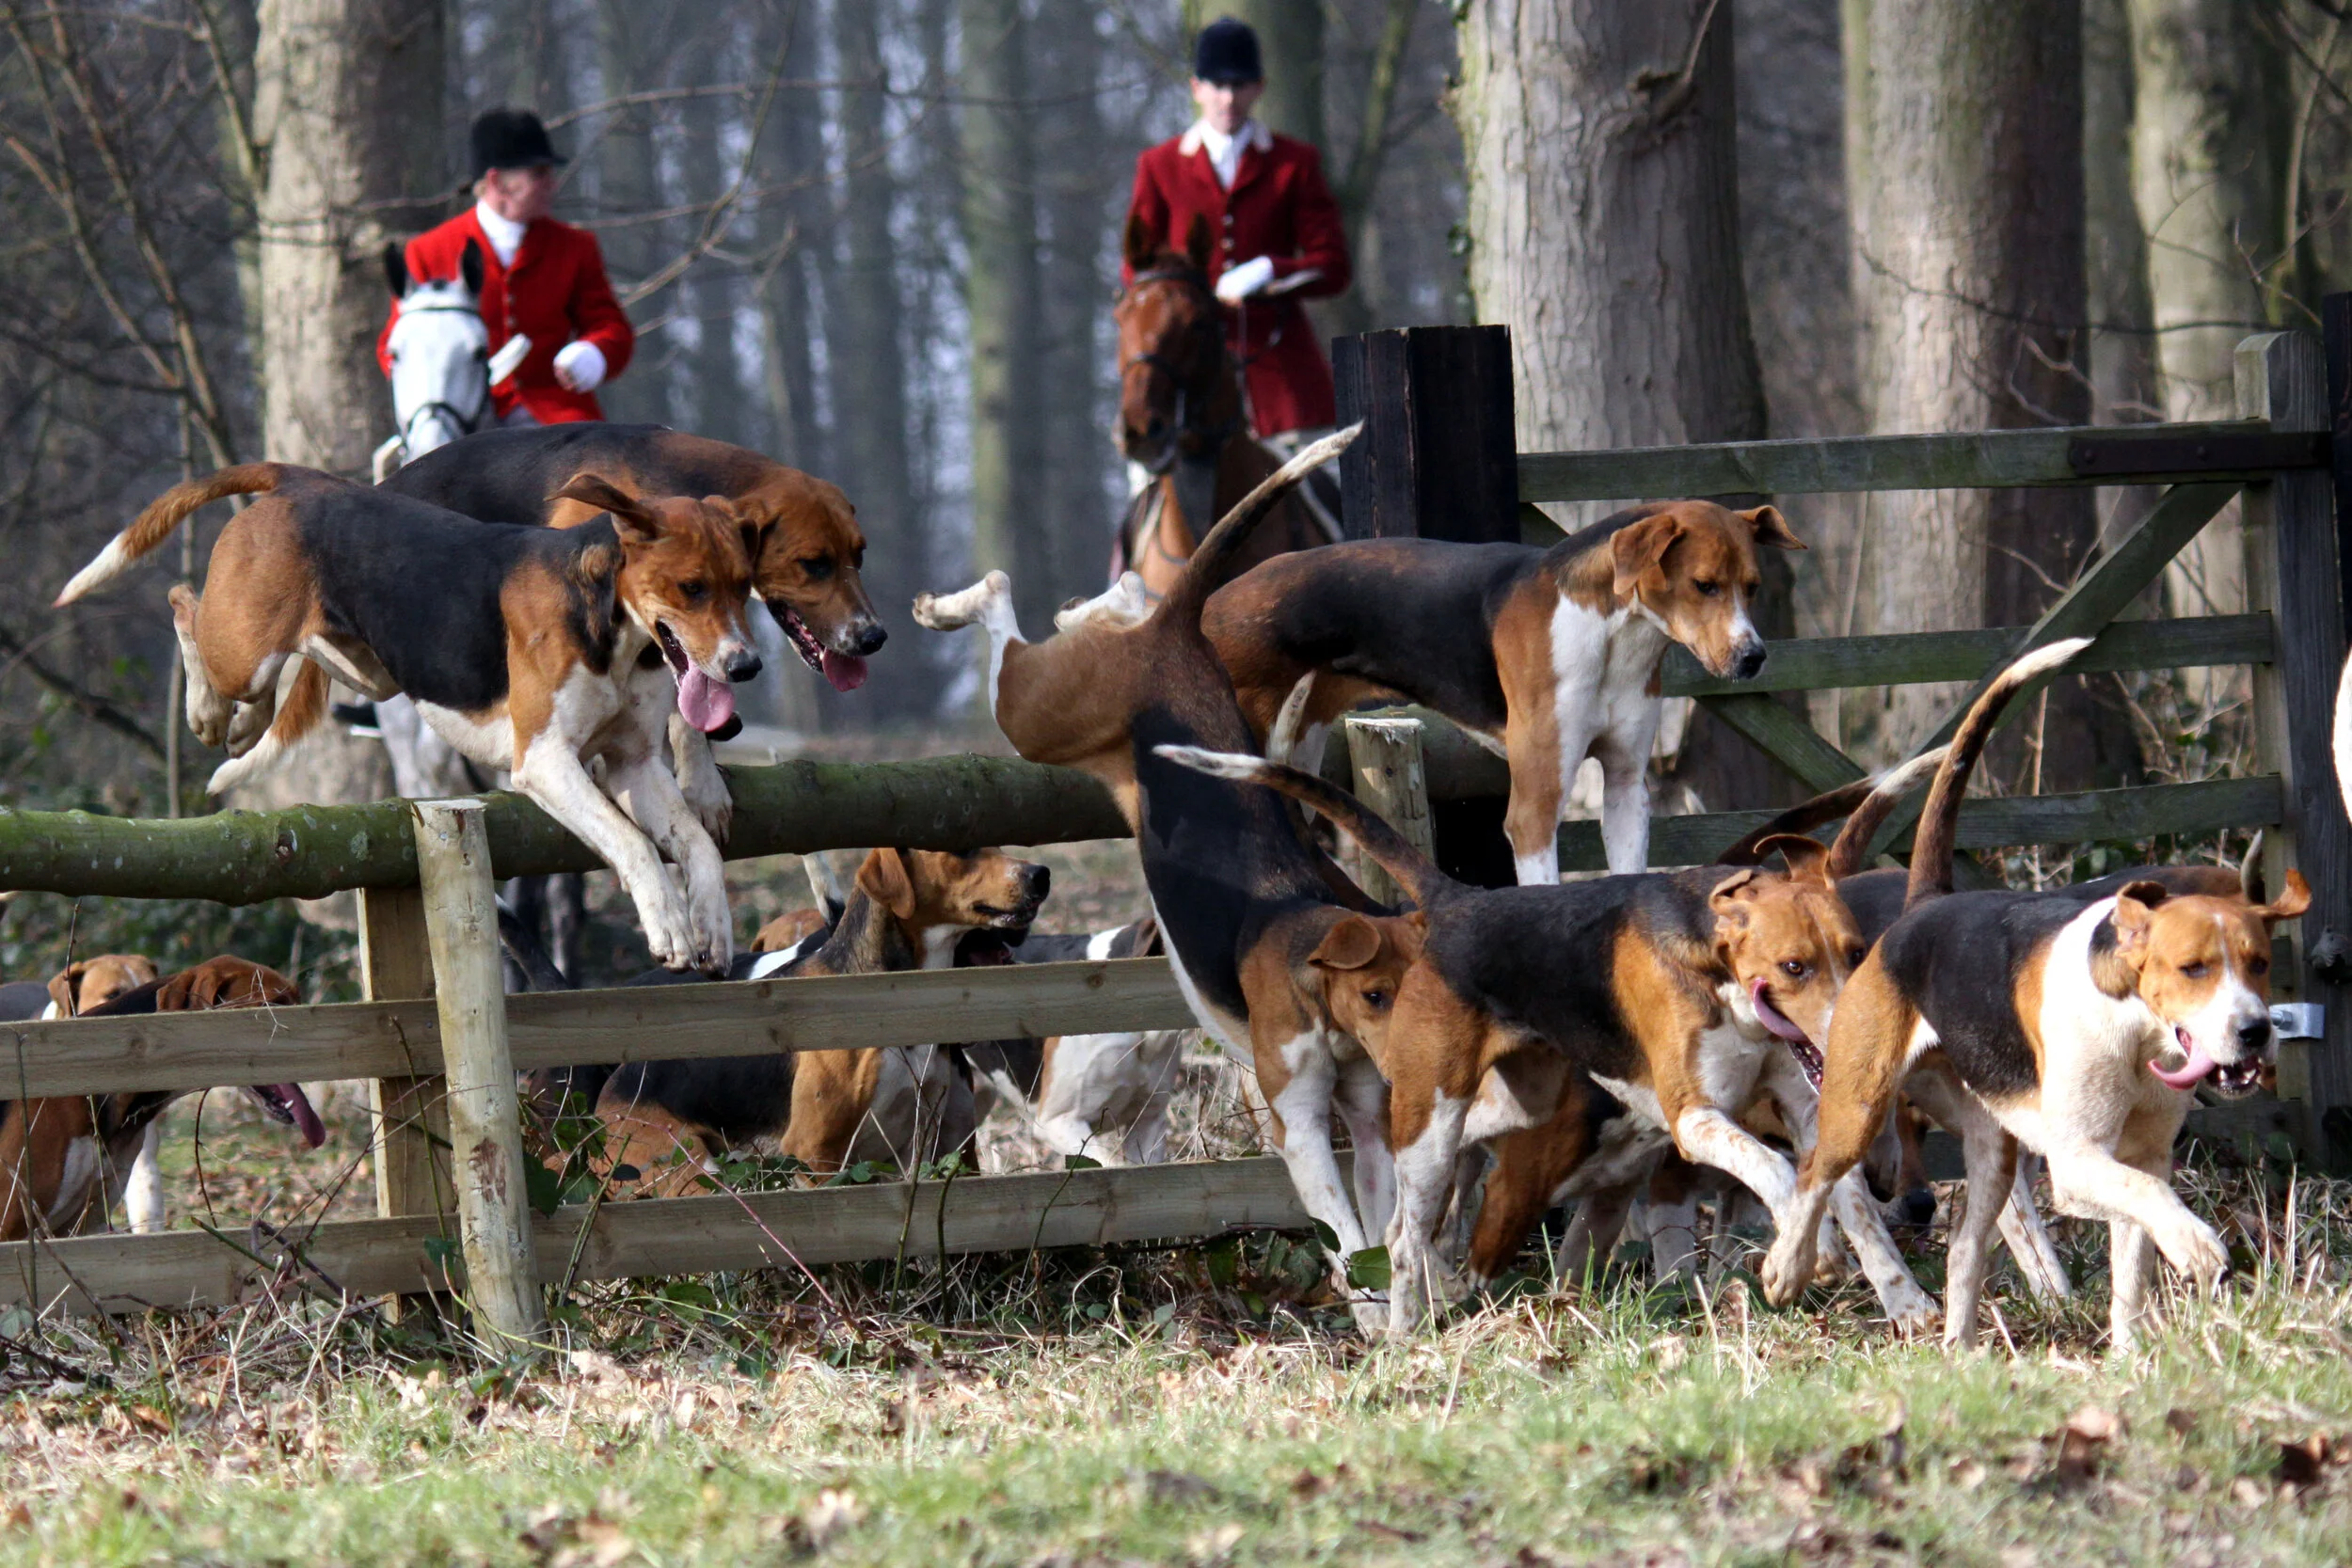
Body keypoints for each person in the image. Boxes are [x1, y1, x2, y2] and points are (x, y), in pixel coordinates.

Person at [1122, 17, 1352, 449]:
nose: (1228, 98)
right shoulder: (1159, 166)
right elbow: (1135, 269)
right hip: (1187, 371)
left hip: (1281, 373)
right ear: (1197, 88)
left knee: (1335, 492)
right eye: (1217, 84)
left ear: (1259, 87)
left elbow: (1333, 266)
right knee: (1148, 483)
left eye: (1240, 84)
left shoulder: (1294, 163)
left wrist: (1269, 268)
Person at [376, 107, 635, 426]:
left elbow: (612, 328)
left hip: (554, 417)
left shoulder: (575, 247)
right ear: (497, 181)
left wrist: (592, 353)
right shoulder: (428, 252)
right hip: (456, 422)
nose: (551, 185)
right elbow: (392, 348)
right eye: (538, 174)